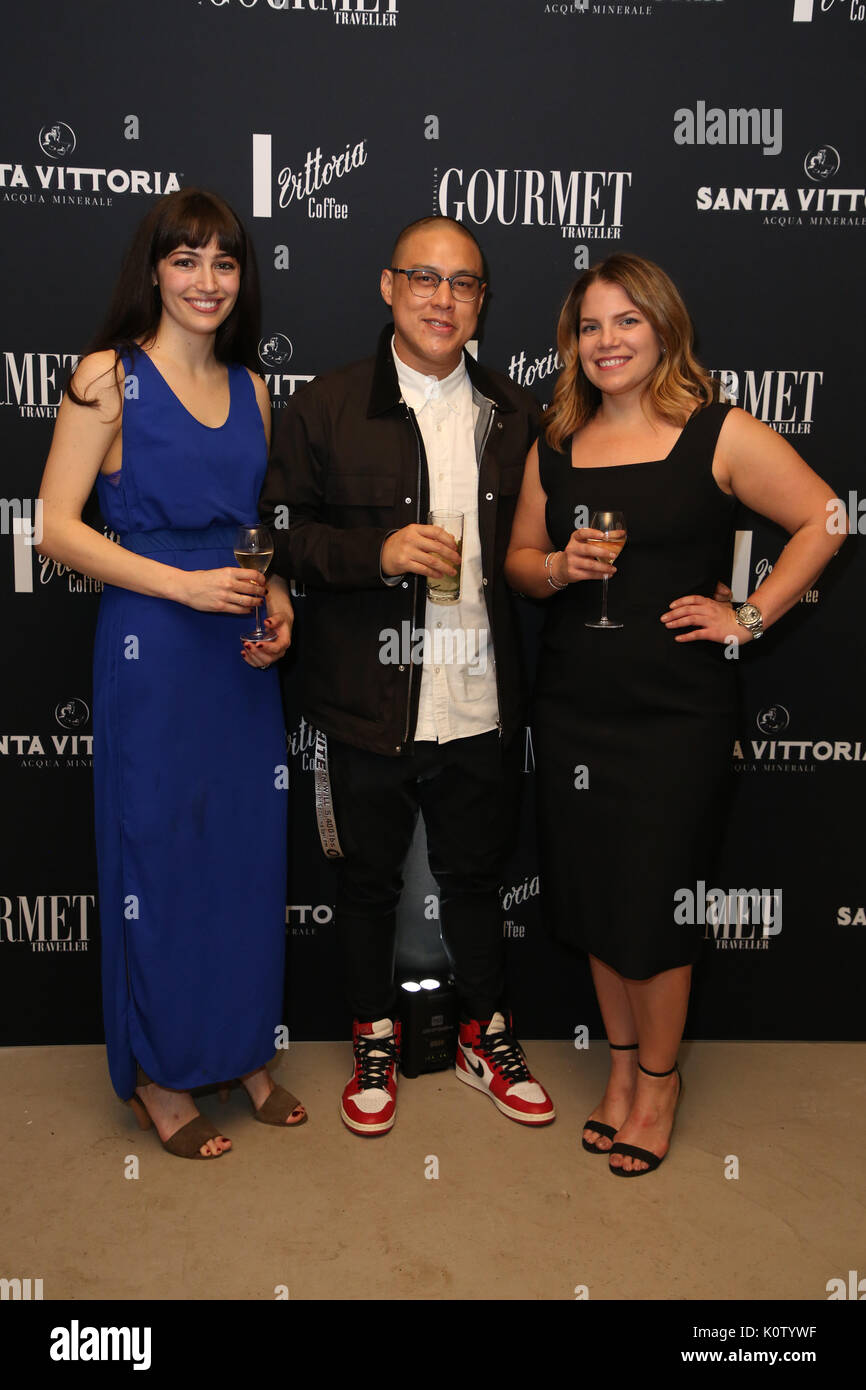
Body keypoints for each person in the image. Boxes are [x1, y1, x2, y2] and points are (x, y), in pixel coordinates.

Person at [505, 253, 843, 1175]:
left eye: (627, 322)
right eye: (590, 326)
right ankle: (620, 1074)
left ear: (663, 330)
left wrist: (749, 615)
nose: (607, 342)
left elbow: (827, 516)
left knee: (652, 904)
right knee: (594, 899)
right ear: (572, 342)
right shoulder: (556, 440)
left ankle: (660, 1085)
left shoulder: (715, 432)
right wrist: (561, 570)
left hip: (677, 716)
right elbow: (520, 561)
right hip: (575, 704)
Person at [260, 215, 555, 1135]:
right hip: (365, 705)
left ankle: (483, 1034)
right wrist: (377, 552)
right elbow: (283, 538)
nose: (442, 298)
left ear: (481, 303)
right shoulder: (326, 405)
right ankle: (373, 1037)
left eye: (462, 283)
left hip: (481, 701)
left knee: (475, 882)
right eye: (422, 279)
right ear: (388, 288)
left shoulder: (517, 417)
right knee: (366, 888)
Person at [38, 188, 306, 1158]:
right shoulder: (109, 376)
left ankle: (240, 1049)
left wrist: (271, 596)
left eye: (224, 262)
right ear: (151, 269)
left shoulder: (252, 387)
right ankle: (158, 1072)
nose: (205, 280)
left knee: (238, 855)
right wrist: (183, 588)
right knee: (160, 855)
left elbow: (248, 529)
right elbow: (57, 527)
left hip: (234, 656)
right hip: (152, 645)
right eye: (185, 258)